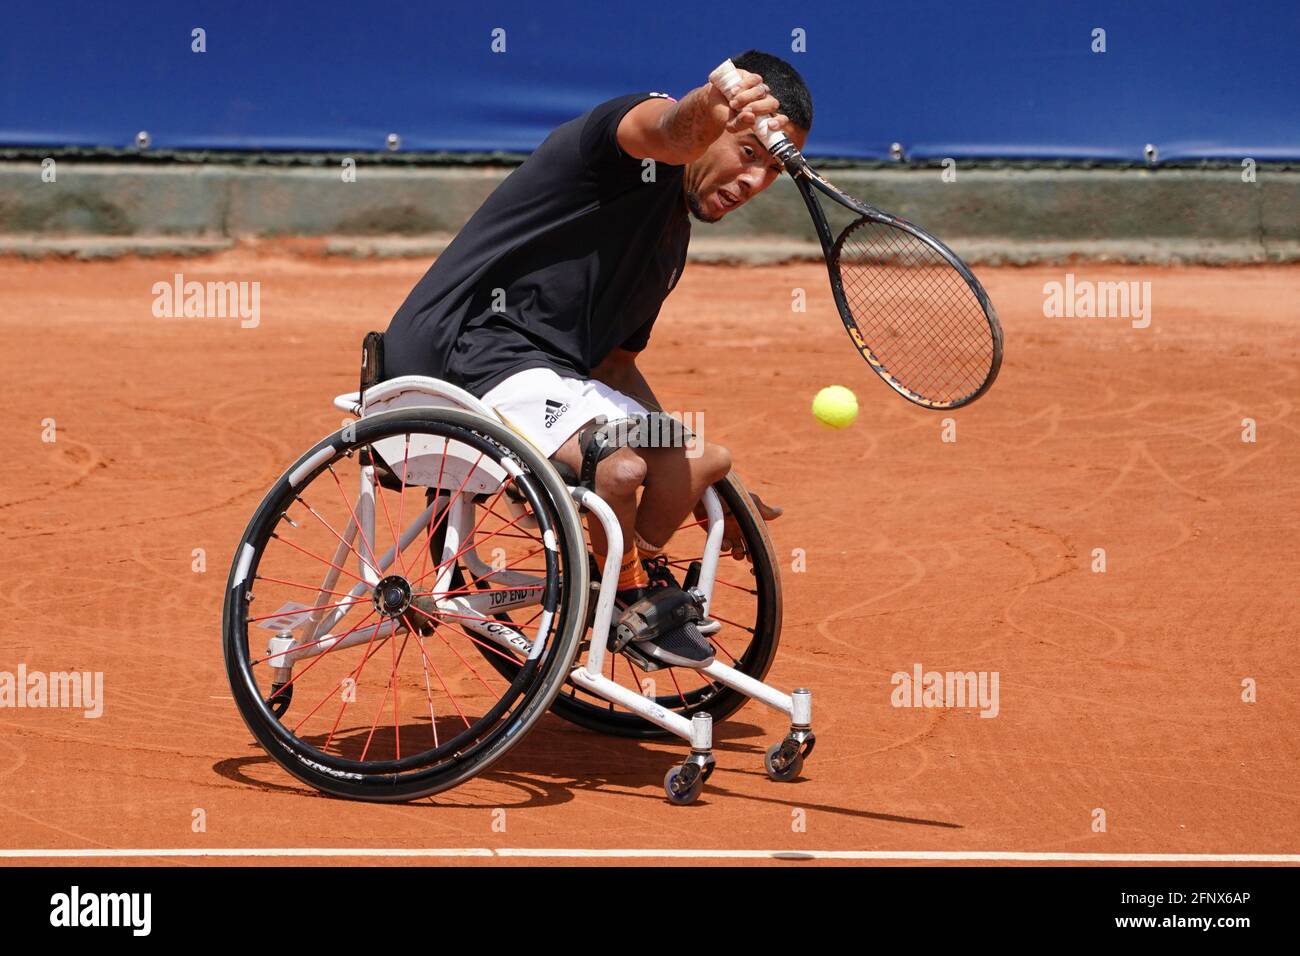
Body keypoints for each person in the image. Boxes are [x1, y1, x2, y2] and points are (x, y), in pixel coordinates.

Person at [383, 50, 813, 667]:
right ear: (718, 124)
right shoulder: (623, 140)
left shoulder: (667, 244)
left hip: (545, 380)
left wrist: (697, 475)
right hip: (462, 353)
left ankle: (605, 586)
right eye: (749, 153)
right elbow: (671, 130)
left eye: (773, 171)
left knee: (701, 459)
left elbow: (613, 366)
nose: (754, 182)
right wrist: (708, 107)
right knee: (620, 469)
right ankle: (624, 590)